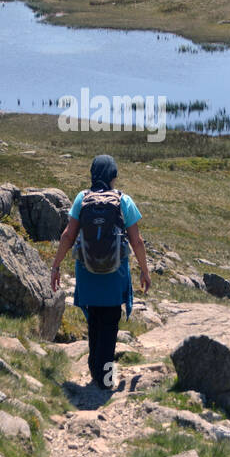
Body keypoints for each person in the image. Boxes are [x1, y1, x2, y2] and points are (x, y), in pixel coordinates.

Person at [50, 154, 150, 392]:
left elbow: (67, 235)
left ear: (93, 174)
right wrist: (145, 271)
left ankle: (96, 371)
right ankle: (105, 380)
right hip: (115, 274)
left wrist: (55, 266)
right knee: (109, 323)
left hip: (87, 271)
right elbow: (137, 241)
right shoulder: (124, 201)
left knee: (94, 319)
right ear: (113, 175)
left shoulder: (81, 198)